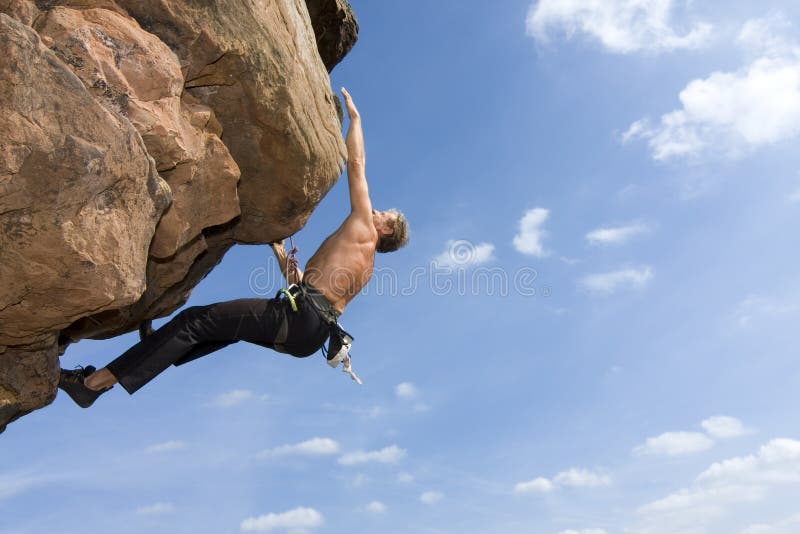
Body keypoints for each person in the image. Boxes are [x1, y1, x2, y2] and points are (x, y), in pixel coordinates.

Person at [59, 87, 409, 408]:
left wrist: (356, 119)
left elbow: (357, 166)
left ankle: (92, 384)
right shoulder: (365, 268)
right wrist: (281, 256)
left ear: (386, 229)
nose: (376, 210)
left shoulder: (364, 226)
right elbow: (311, 292)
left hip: (296, 319)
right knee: (225, 329)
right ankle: (162, 346)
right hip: (309, 336)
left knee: (195, 321)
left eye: (384, 214)